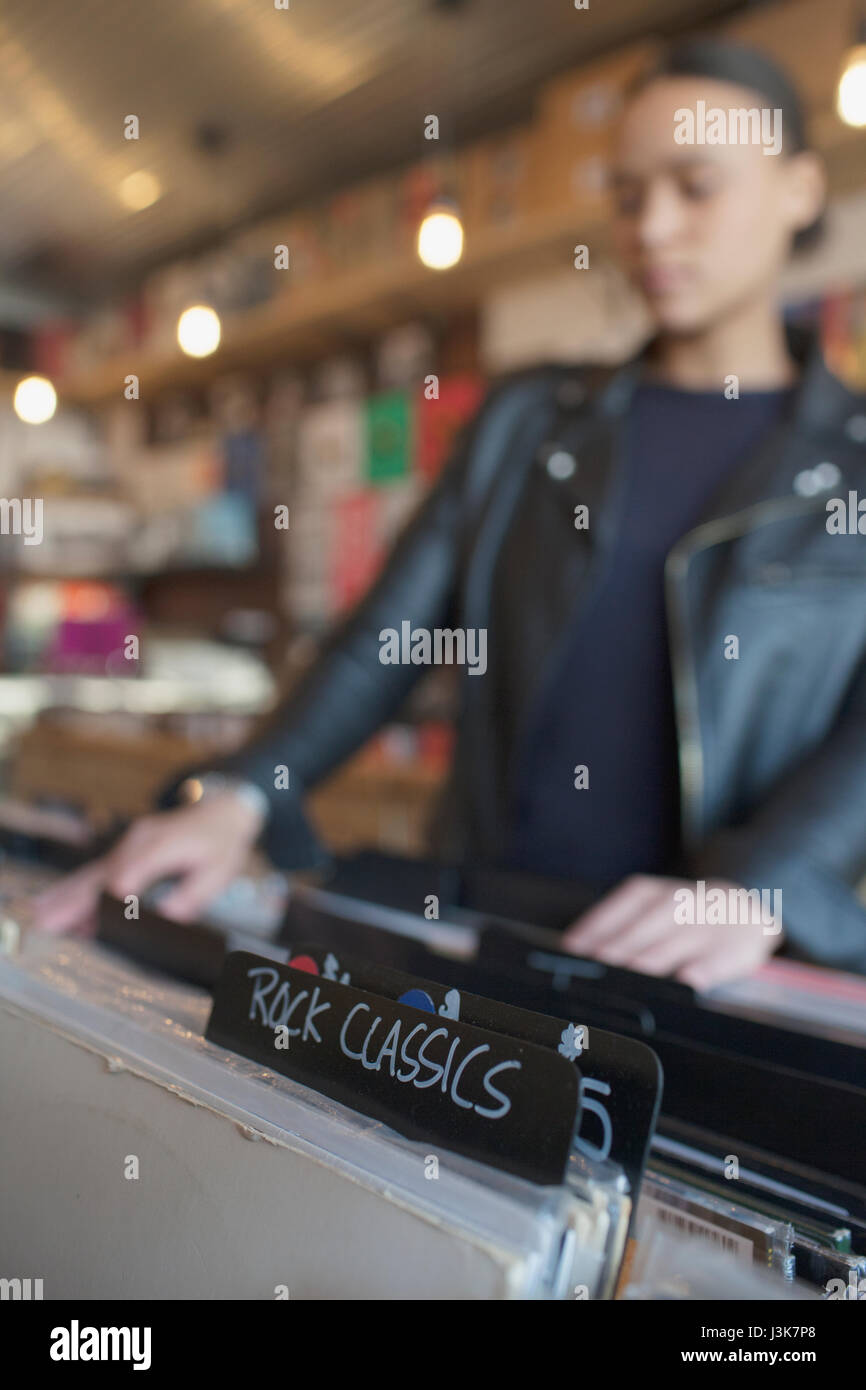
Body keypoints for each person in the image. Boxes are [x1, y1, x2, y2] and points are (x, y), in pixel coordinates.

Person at [33, 39, 866, 987]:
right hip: (486, 940)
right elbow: (385, 635)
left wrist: (761, 886)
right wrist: (241, 792)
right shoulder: (523, 421)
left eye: (696, 185)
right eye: (629, 196)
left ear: (799, 188)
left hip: (730, 976)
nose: (654, 227)